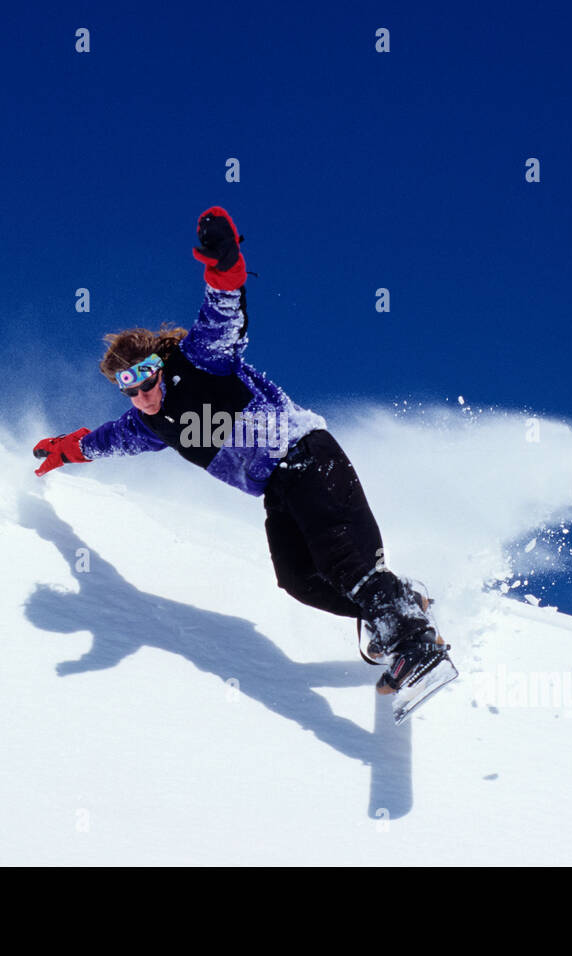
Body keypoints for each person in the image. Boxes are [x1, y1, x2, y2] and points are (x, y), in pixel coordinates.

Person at [32, 206, 451, 696]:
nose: (143, 394)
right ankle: (399, 607)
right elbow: (104, 442)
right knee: (298, 579)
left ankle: (415, 641)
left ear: (160, 364)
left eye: (146, 378)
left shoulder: (202, 361)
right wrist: (64, 450)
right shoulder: (150, 425)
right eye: (130, 390)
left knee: (342, 561)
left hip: (305, 455)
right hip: (277, 489)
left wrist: (223, 260)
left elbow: (224, 308)